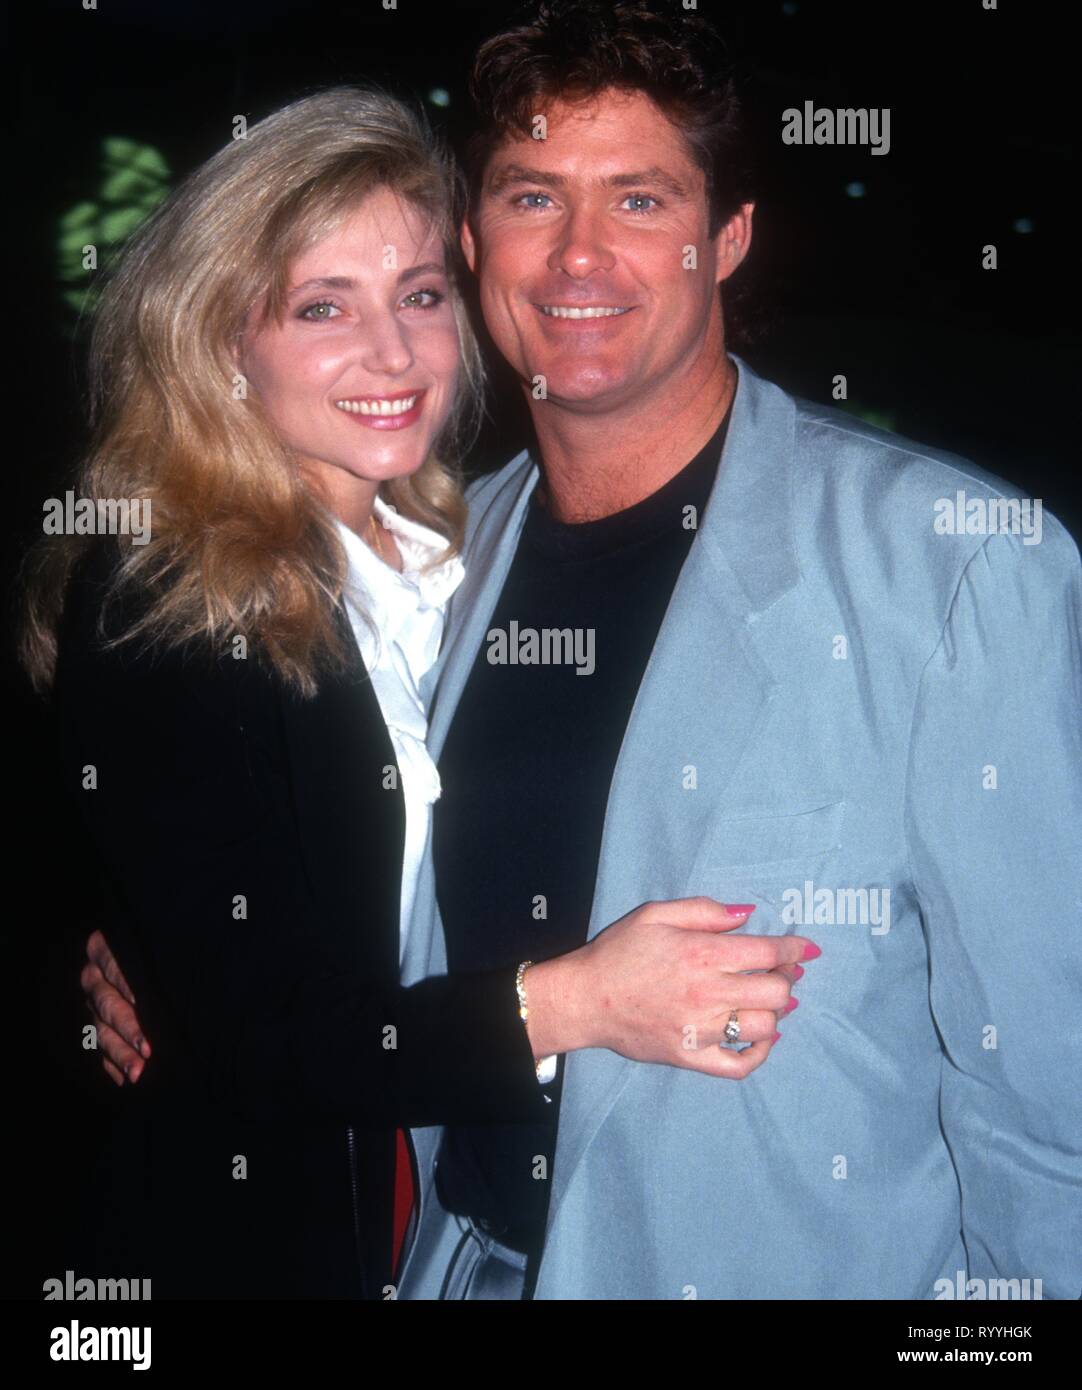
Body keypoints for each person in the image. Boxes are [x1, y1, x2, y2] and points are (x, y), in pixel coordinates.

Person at [86, 0, 1082, 1302]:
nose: (579, 256)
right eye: (533, 197)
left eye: (639, 201)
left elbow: (1047, 1095)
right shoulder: (428, 563)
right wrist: (162, 952)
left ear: (726, 240)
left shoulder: (954, 563)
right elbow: (317, 893)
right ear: (472, 238)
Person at [25, 83, 811, 1299]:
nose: (390, 355)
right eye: (321, 306)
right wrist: (581, 1001)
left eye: (420, 297)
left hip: (437, 1228)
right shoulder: (165, 593)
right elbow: (272, 1039)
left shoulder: (460, 558)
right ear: (222, 340)